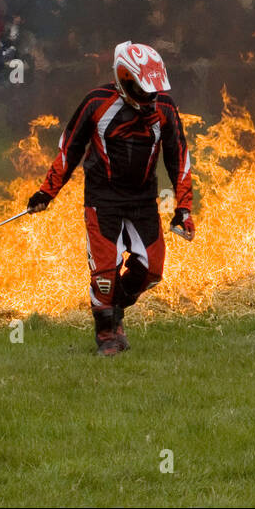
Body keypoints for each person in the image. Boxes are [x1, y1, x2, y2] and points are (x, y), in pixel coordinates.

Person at [25, 41, 195, 357]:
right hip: (103, 200)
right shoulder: (97, 103)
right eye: (142, 90)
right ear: (123, 79)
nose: (149, 97)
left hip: (144, 201)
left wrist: (183, 207)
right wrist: (46, 193)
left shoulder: (166, 110)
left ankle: (115, 309)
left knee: (152, 270)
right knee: (104, 273)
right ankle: (107, 335)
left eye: (152, 90)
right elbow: (69, 150)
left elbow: (179, 158)